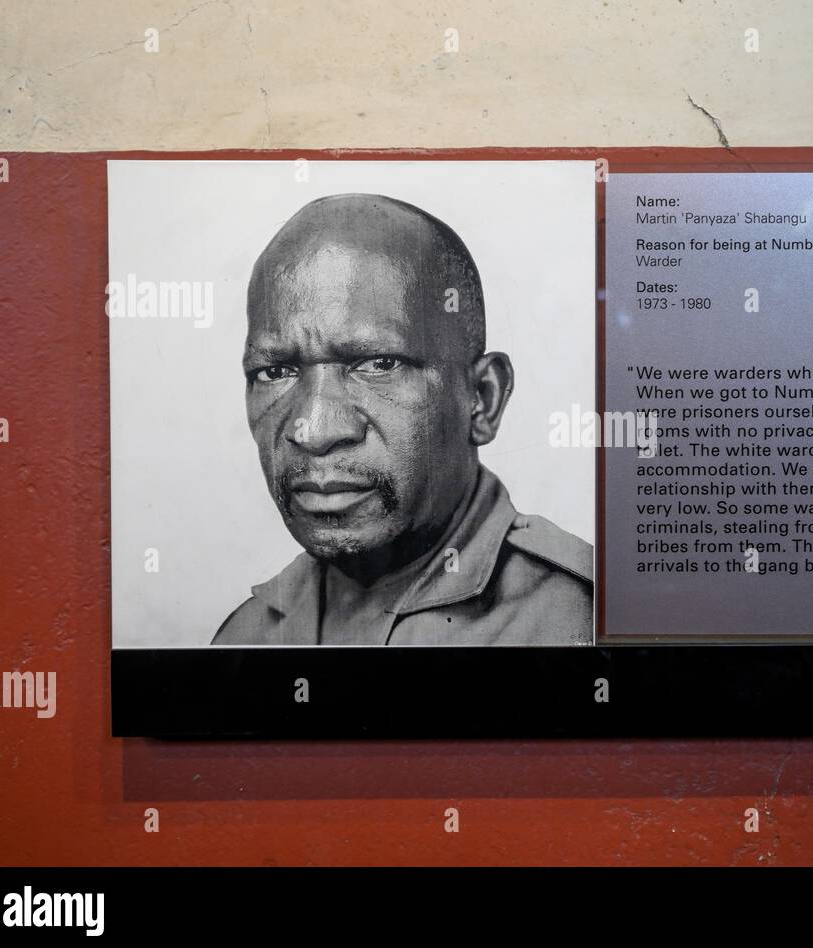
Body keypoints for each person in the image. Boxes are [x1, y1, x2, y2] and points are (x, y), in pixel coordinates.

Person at [212, 193, 592, 646]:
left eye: (378, 364)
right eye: (275, 372)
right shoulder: (246, 637)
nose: (314, 430)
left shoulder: (587, 623)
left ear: (483, 398)